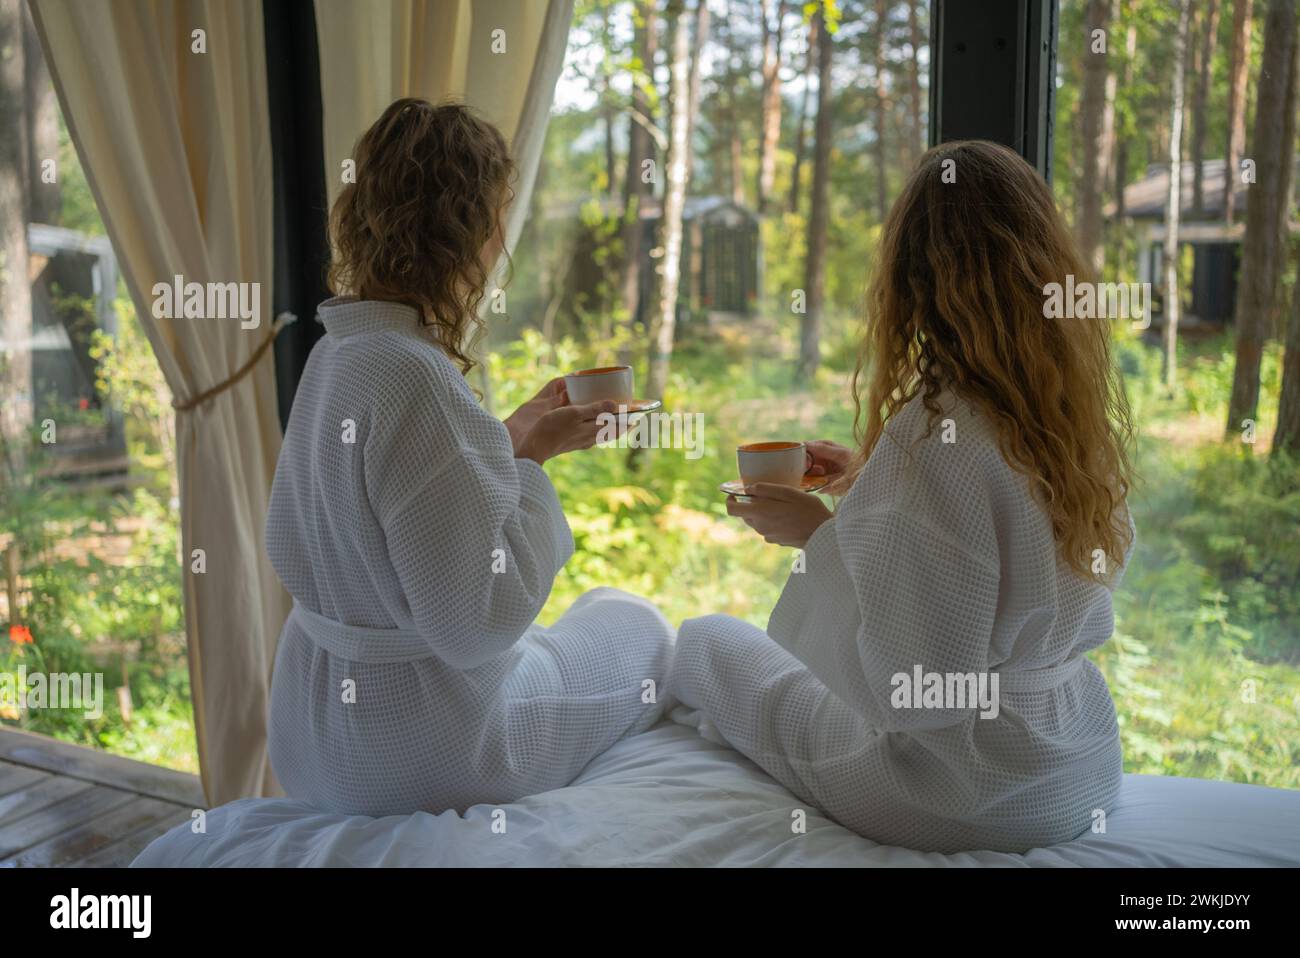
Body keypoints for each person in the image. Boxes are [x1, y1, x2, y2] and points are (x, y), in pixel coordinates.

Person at [668, 140, 1136, 854]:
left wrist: (816, 536)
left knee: (706, 641)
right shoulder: (1062, 418)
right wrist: (867, 479)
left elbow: (911, 691)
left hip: (954, 792)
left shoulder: (931, 435)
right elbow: (1002, 538)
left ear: (912, 279)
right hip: (1073, 766)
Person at [265, 98, 673, 817]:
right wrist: (534, 459)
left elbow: (389, 512)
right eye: (497, 218)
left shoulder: (340, 355)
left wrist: (508, 434)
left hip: (311, 733)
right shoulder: (414, 374)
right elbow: (476, 623)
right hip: (425, 753)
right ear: (471, 230)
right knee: (637, 625)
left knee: (594, 614)